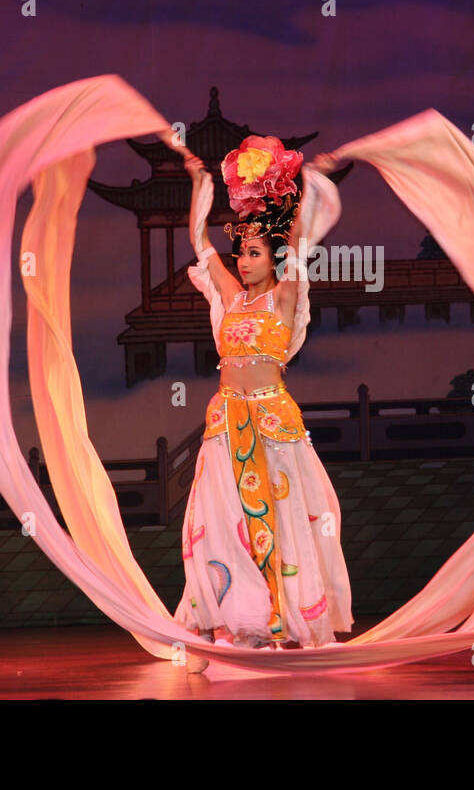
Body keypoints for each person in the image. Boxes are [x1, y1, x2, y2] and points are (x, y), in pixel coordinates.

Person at [172, 136, 352, 668]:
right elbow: (201, 244)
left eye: (253, 253)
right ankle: (233, 621)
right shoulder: (230, 298)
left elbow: (295, 244)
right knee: (220, 522)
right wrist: (198, 185)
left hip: (273, 422)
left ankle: (289, 618)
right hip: (227, 423)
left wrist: (303, 188)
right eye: (241, 253)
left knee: (286, 518)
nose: (242, 261)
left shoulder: (285, 294)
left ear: (273, 257)